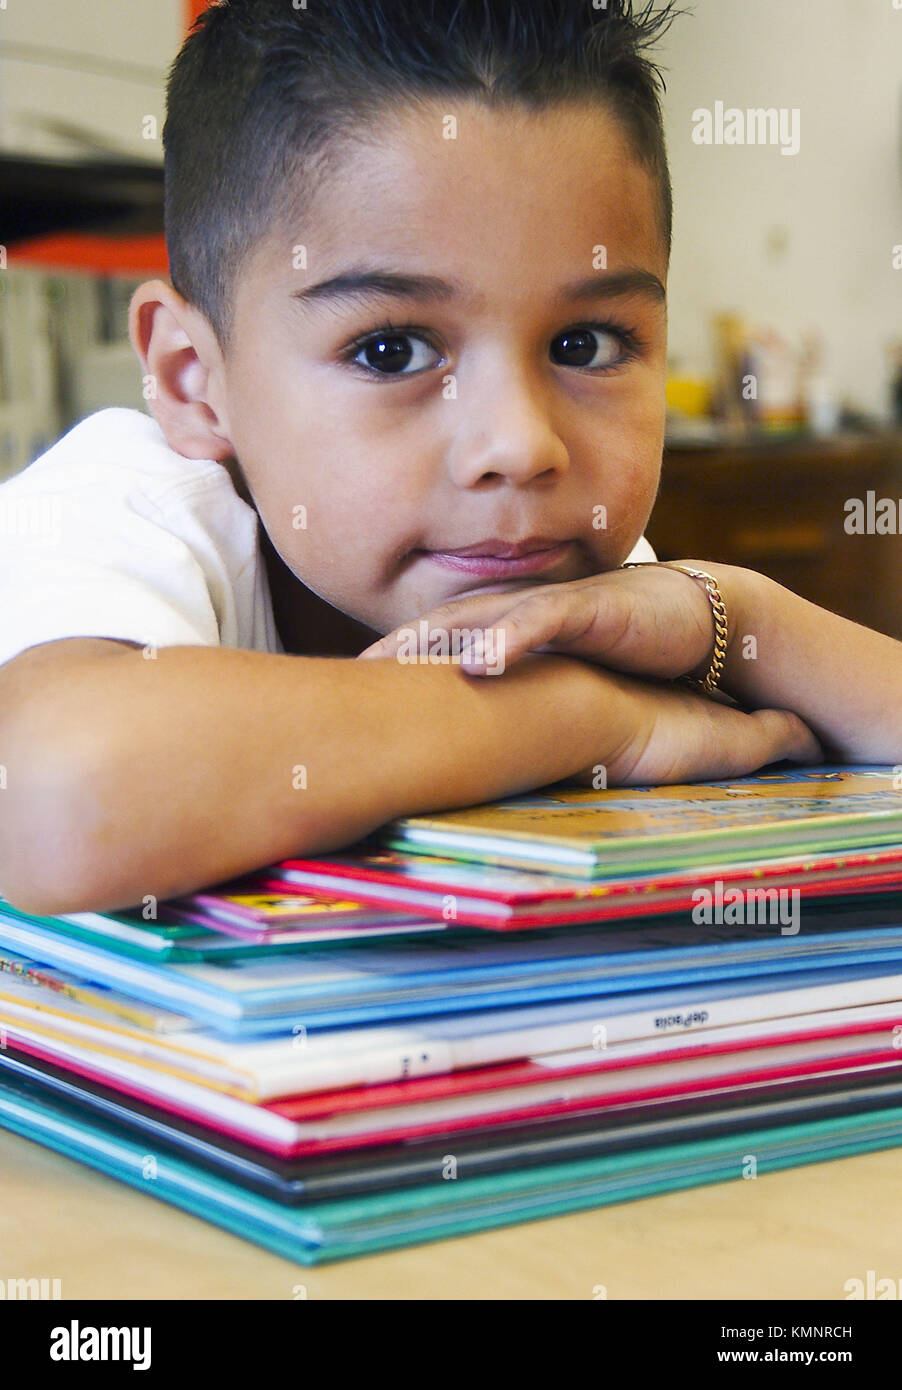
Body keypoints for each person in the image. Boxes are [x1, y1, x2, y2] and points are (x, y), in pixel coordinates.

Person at [5, 0, 882, 919]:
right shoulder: (128, 505)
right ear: (192, 382)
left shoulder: (579, 587)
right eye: (392, 350)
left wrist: (730, 611)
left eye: (585, 344)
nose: (520, 446)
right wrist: (584, 718)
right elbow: (60, 800)